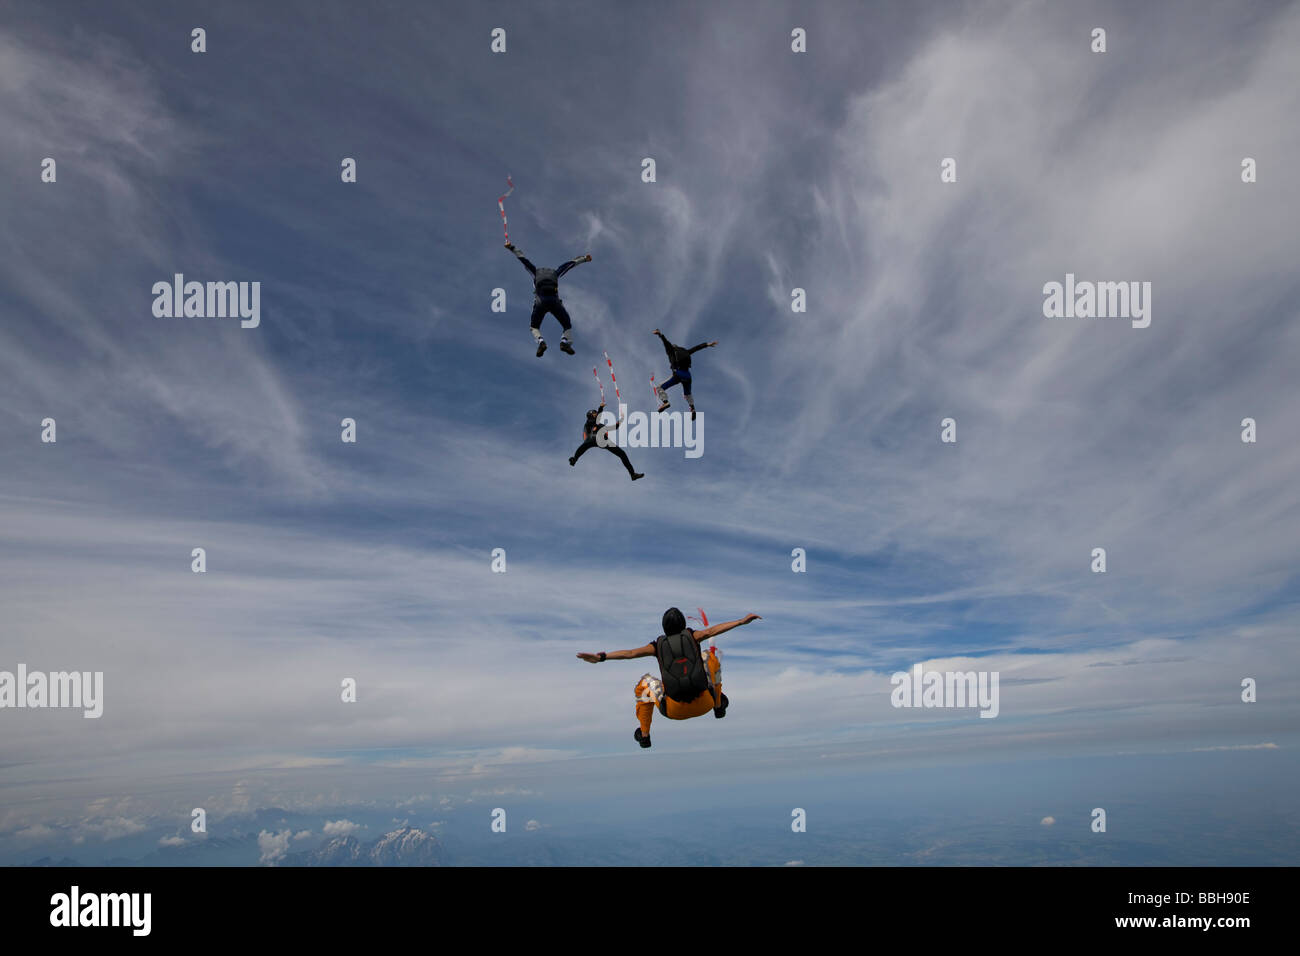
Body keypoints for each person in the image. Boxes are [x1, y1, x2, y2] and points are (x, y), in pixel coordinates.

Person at [576, 608, 761, 748]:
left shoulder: (657, 646)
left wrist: (602, 657)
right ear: (682, 624)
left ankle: (645, 735)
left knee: (644, 684)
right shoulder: (694, 636)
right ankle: (719, 707)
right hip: (707, 703)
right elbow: (713, 631)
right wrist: (740, 622)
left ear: (664, 627)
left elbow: (629, 653)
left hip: (673, 711)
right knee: (710, 658)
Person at [505, 242, 592, 357]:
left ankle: (541, 342)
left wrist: (512, 248)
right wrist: (584, 259)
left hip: (540, 302)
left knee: (534, 327)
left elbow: (523, 259)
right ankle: (564, 342)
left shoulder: (535, 272)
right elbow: (570, 264)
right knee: (567, 325)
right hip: (555, 302)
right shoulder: (555, 274)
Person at [651, 329, 717, 419]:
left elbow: (666, 343)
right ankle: (693, 409)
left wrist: (660, 335)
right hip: (687, 375)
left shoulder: (671, 350)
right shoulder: (685, 351)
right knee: (687, 394)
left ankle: (665, 402)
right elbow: (696, 348)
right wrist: (707, 344)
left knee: (660, 387)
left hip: (677, 374)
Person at [570, 403, 643, 480]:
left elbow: (615, 427)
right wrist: (600, 408)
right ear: (590, 415)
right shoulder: (589, 421)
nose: (596, 414)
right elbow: (597, 417)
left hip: (603, 440)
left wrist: (620, 420)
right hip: (593, 437)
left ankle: (632, 474)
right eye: (594, 413)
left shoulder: (600, 425)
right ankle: (574, 459)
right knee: (584, 446)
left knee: (622, 454)